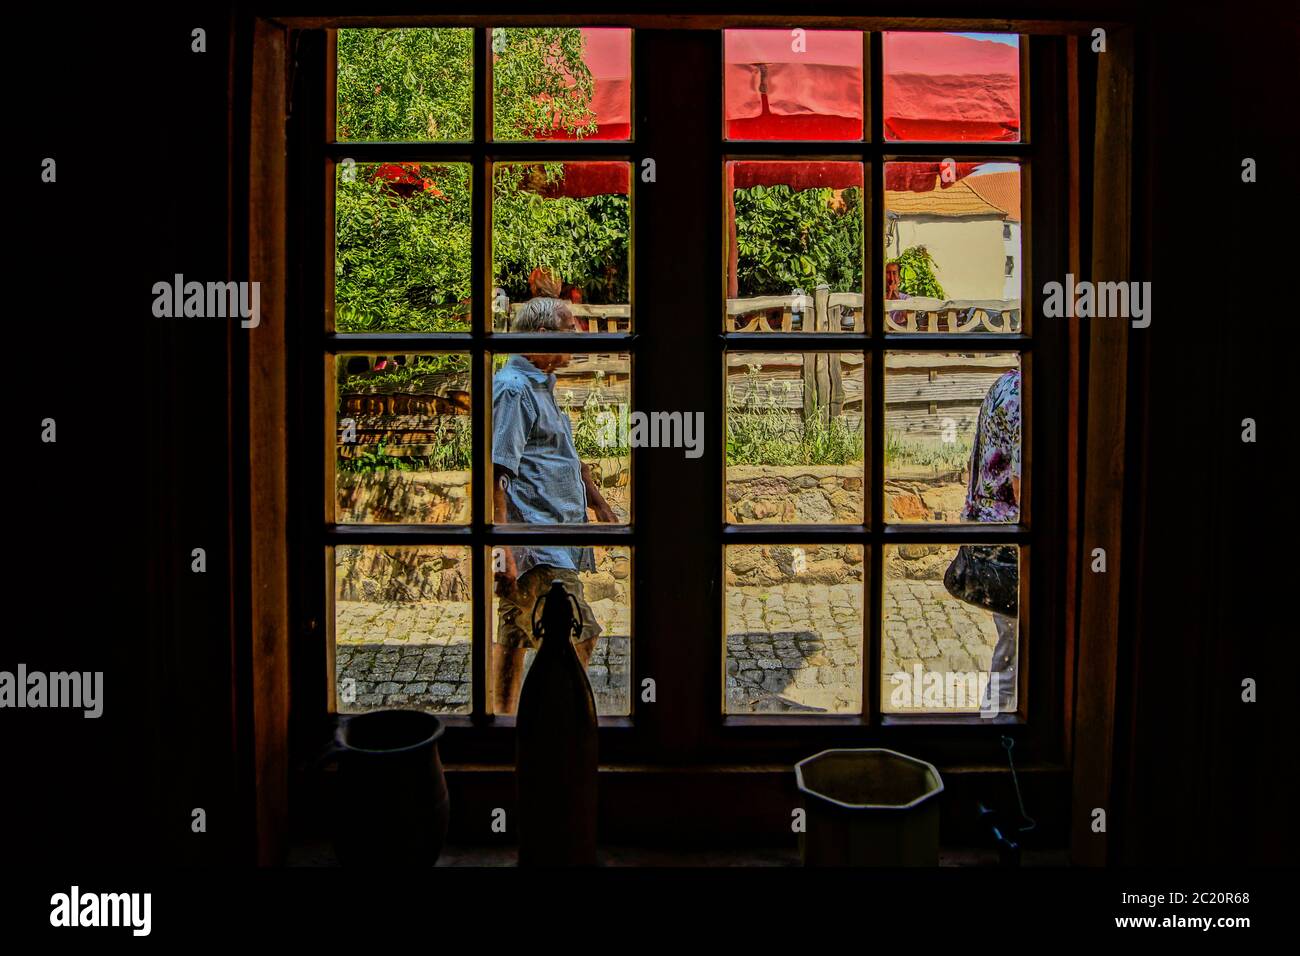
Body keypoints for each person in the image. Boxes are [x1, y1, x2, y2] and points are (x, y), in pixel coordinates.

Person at [492, 297, 619, 714]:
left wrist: (597, 500)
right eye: (571, 329)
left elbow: (557, 453)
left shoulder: (539, 385)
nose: (578, 338)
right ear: (543, 335)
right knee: (580, 635)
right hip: (536, 536)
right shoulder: (514, 390)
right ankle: (556, 718)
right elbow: (497, 471)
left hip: (550, 532)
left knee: (513, 634)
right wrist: (504, 550)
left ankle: (506, 722)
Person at [962, 367, 1021, 711]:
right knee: (1015, 644)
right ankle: (996, 722)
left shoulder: (1002, 384)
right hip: (1011, 541)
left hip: (989, 528)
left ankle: (996, 715)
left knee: (1011, 639)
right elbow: (1019, 484)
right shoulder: (1025, 397)